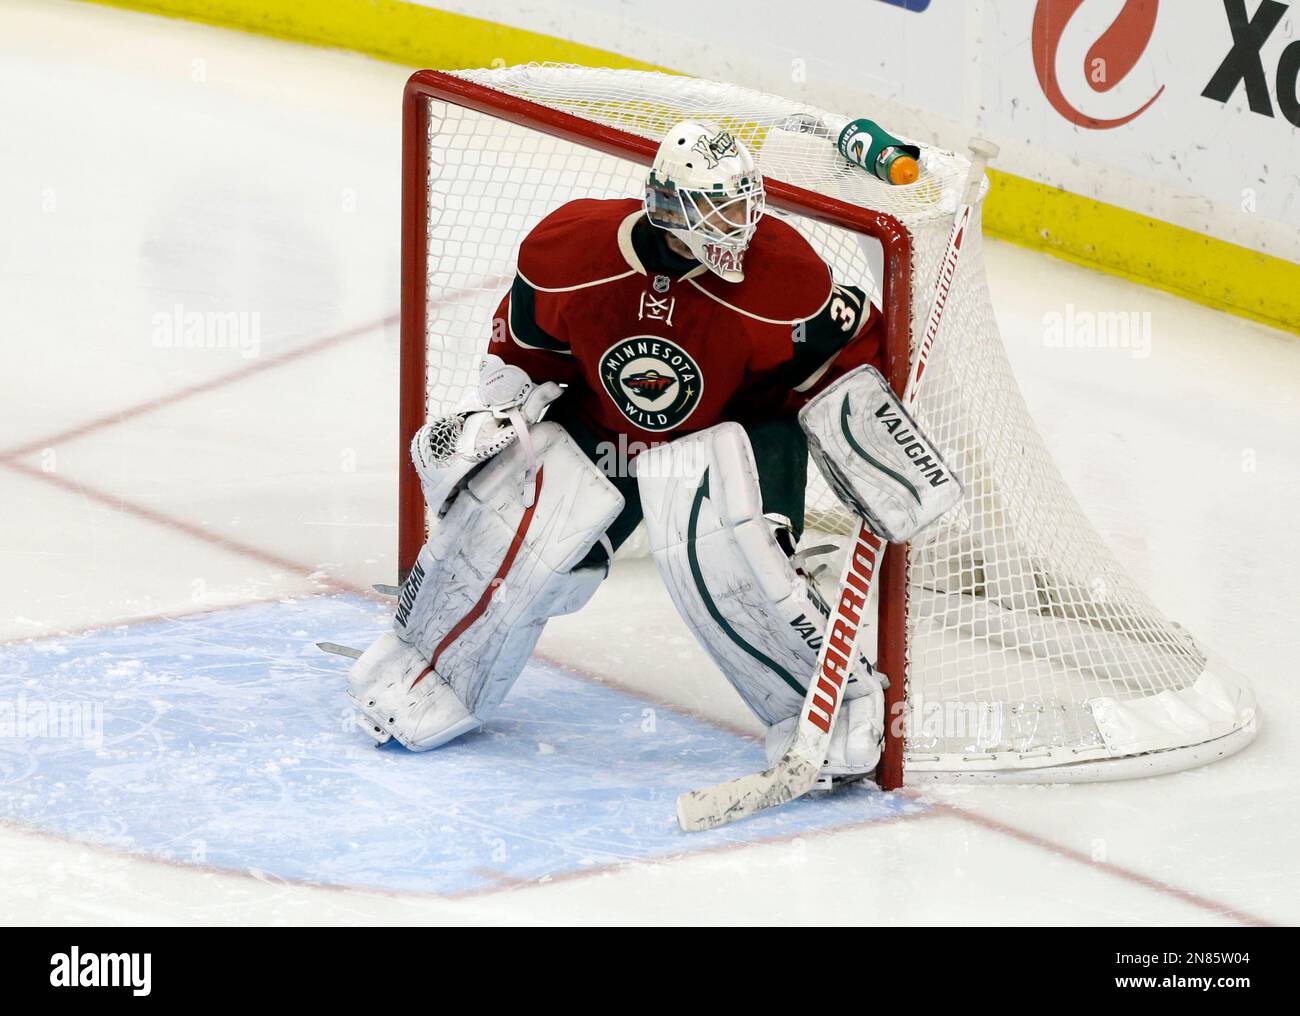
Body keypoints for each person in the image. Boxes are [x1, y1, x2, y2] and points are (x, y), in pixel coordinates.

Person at [345, 121, 955, 788]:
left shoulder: (784, 275)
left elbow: (846, 359)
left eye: (745, 201)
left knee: (731, 553)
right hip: (603, 431)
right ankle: (425, 664)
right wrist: (503, 415)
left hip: (737, 431)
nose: (742, 223)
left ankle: (830, 709)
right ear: (669, 208)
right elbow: (523, 348)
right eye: (719, 207)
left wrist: (869, 437)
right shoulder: (573, 250)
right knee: (511, 524)